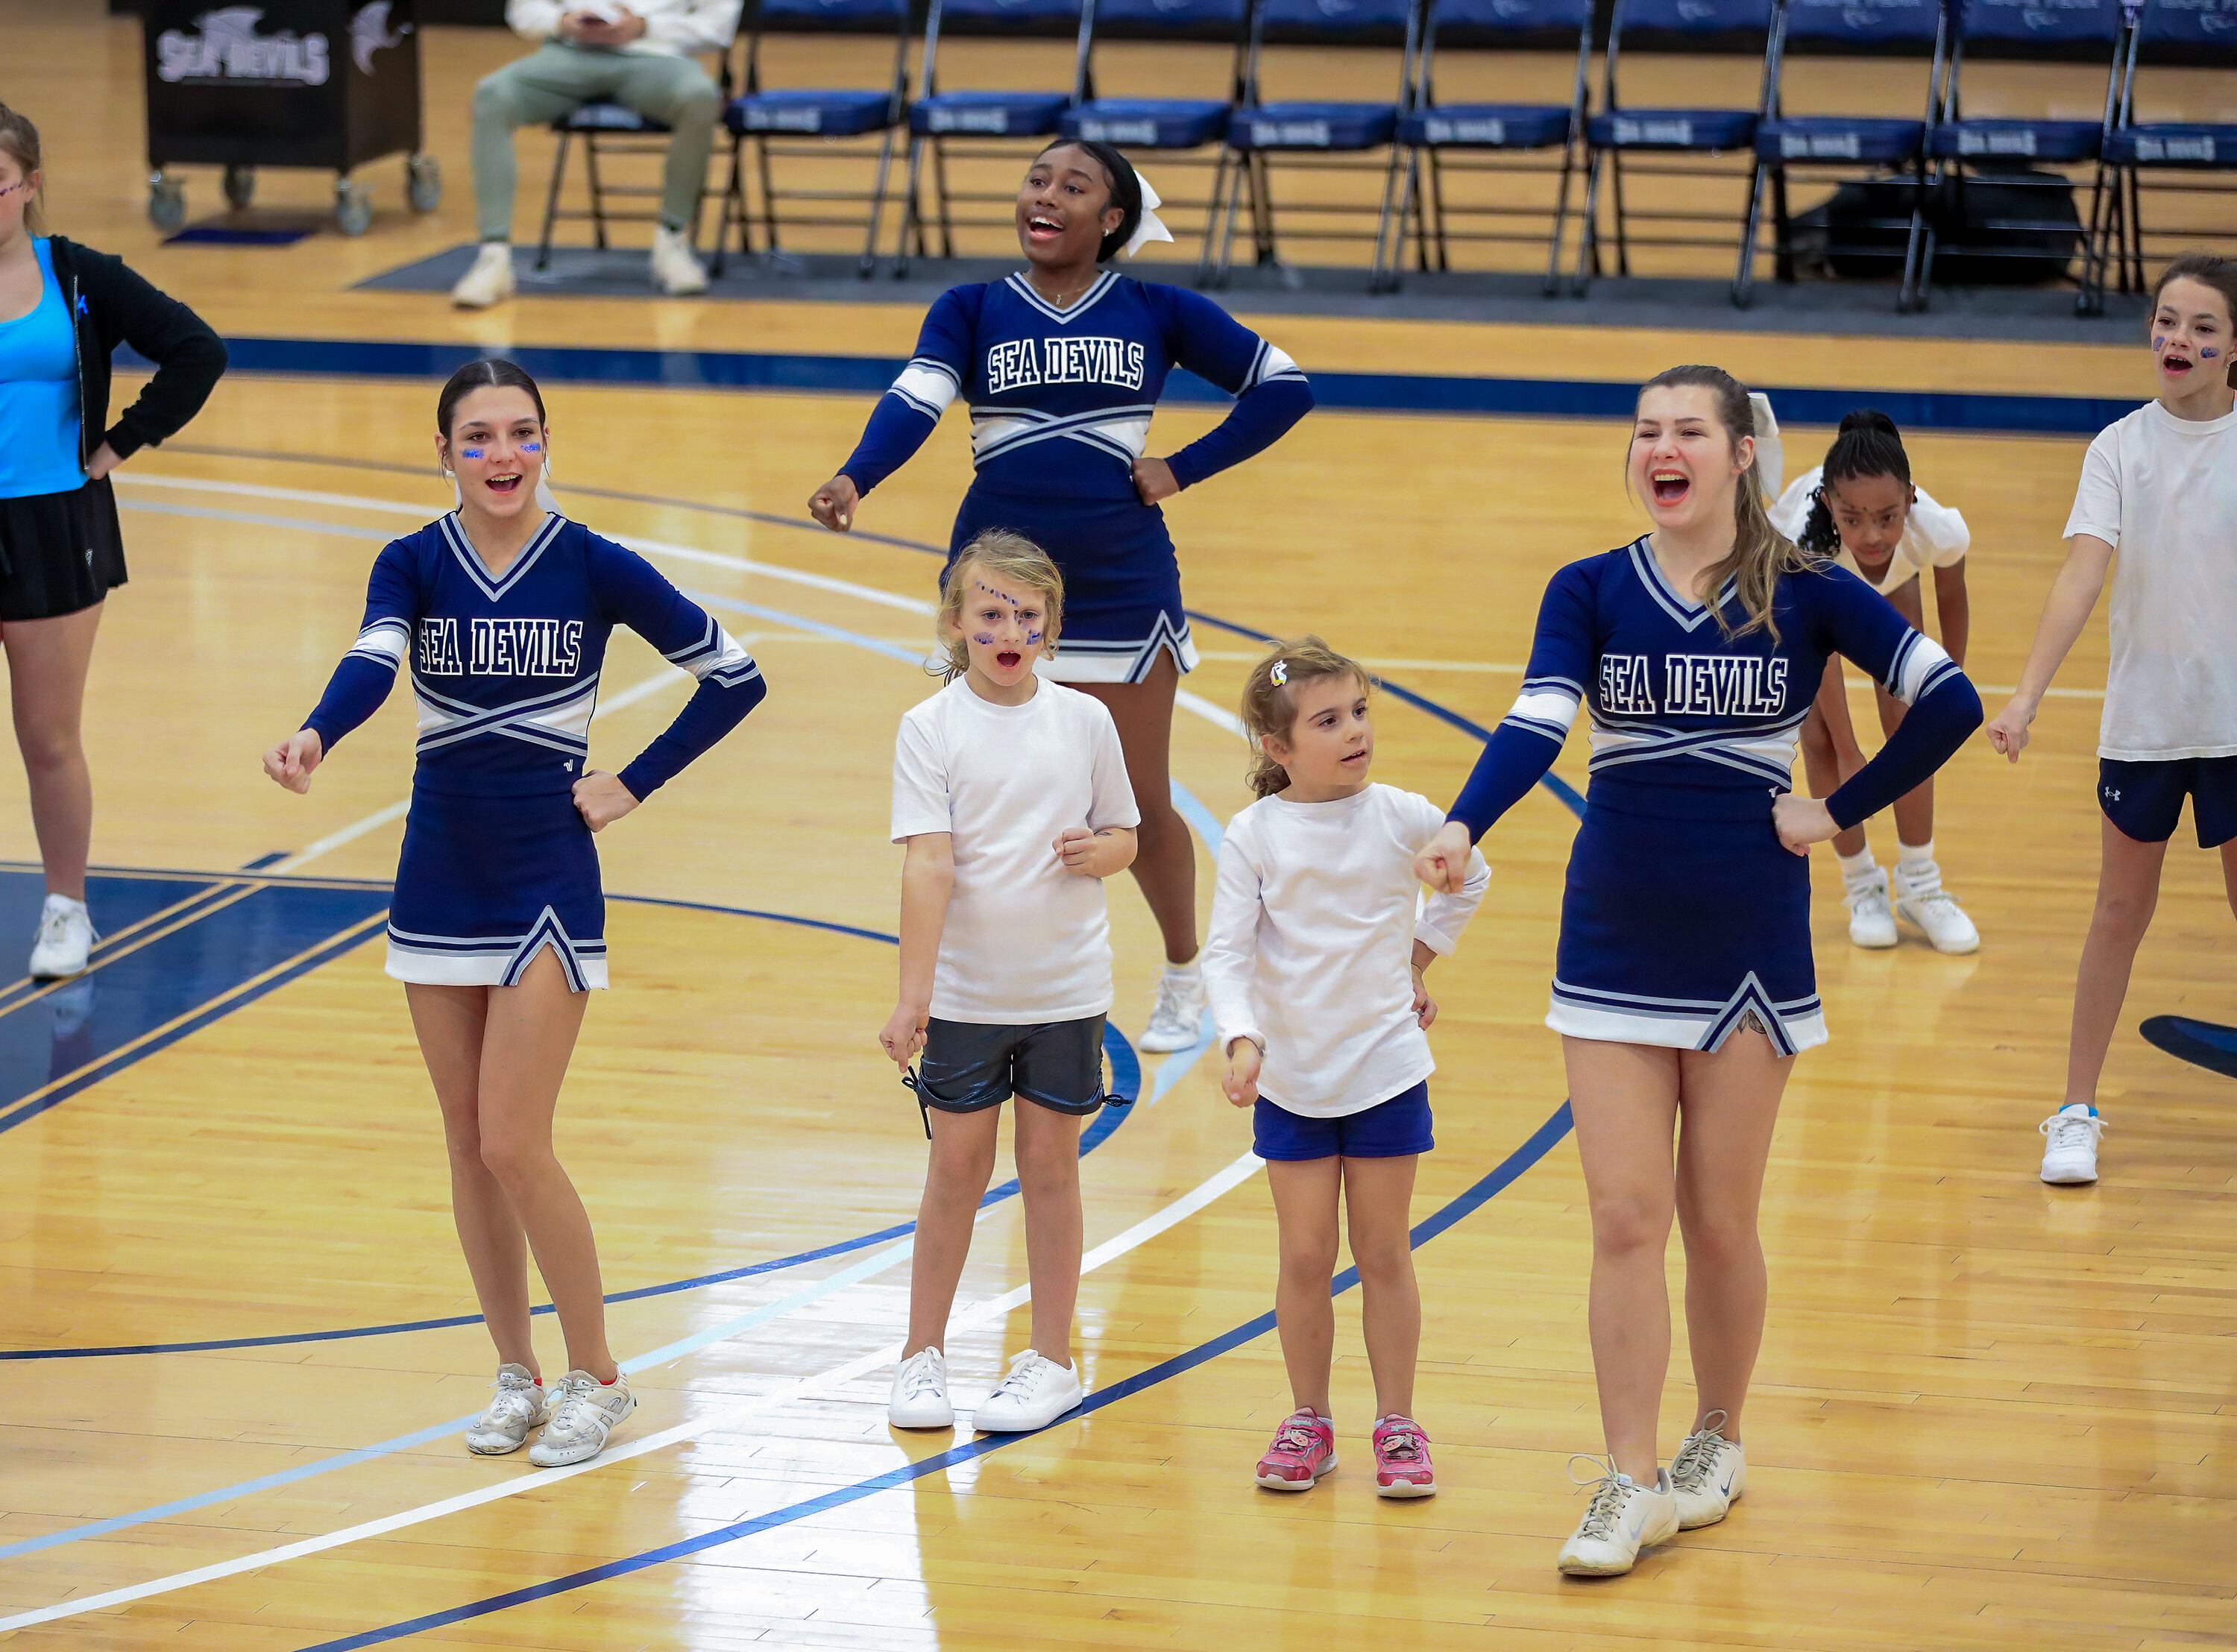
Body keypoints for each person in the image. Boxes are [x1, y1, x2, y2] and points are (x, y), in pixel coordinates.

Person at [1414, 365, 1980, 1577]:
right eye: (1645, 432)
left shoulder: (1809, 589)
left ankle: (1716, 1439)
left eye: (1686, 431)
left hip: (1746, 946)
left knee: (1720, 1221)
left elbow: (1949, 700)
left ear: (1739, 455)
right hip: (1612, 933)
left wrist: (1838, 811)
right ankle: (1629, 1478)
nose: (1660, 449)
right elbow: (1537, 719)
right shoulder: (1589, 588)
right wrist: (1465, 821)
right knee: (1624, 1214)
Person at [262, 359, 767, 1467]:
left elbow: (735, 675)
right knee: (466, 1144)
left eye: (523, 433)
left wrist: (634, 781)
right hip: (438, 872)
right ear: (443, 451)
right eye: (480, 437)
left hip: (545, 875)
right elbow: (373, 659)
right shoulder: (412, 560)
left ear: (547, 444)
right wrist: (316, 732)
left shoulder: (593, 562)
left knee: (513, 1139)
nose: (503, 455)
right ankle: (516, 1374)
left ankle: (601, 1377)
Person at [809, 139, 1314, 1054]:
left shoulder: (1157, 309)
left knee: (1139, 799)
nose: (1045, 196)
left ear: (1112, 218)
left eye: (1073, 186)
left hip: (1122, 583)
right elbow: (916, 398)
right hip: (995, 586)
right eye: (1037, 180)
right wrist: (857, 476)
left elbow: (1284, 387)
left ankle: (1185, 971)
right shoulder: (970, 307)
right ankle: (980, 982)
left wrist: (1183, 467)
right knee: (978, 797)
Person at [1203, 639, 1488, 1499]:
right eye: (1328, 720)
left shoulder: (1402, 813)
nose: (1355, 730)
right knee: (1303, 1254)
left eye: (1360, 711)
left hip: (1384, 1071)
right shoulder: (1255, 833)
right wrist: (1242, 1037)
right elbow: (1227, 953)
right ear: (1278, 747)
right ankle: (1310, 1419)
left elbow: (1471, 875)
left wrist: (1418, 959)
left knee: (1384, 1250)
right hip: (1293, 1082)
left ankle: (1398, 1421)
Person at [1985, 253, 2237, 1188]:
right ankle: (2076, 1110)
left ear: (2234, 344)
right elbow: (2082, 574)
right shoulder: (2119, 448)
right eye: (2167, 320)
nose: (2179, 338)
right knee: (2120, 911)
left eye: (2203, 326)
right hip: (2146, 724)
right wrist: (2025, 696)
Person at [880, 530, 1139, 1435]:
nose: (1010, 629)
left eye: (1029, 614)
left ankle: (1052, 1359)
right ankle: (921, 1355)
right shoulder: (930, 727)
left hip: (1067, 992)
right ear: (956, 622)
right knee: (955, 1169)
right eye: (990, 611)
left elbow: (1125, 833)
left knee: (1050, 1168)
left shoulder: (1087, 721)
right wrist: (914, 995)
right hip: (966, 997)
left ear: (1051, 627)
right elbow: (927, 865)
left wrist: (1101, 851)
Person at [0, 104, 226, 979]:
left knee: (49, 736)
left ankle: (67, 909)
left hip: (54, 527)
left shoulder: (78, 275)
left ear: (30, 185)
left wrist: (121, 442)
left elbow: (197, 350)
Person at [1772, 409, 1978, 953]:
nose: (1872, 535)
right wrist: (1849, 748)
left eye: (1888, 517)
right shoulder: (1803, 546)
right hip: (1803, 594)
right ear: (1828, 505)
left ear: (1910, 499)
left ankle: (1920, 884)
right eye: (1854, 518)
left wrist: (1944, 700)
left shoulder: (1939, 529)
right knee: (1824, 740)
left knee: (1910, 724)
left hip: (1895, 582)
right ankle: (1862, 885)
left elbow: (1952, 602)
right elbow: (1823, 667)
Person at [449, 0, 737, 308]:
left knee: (700, 97)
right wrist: (562, 22)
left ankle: (673, 241)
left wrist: (645, 27)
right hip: (569, 54)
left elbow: (719, 25)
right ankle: (493, 255)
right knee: (493, 95)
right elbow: (524, 10)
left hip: (658, 57)